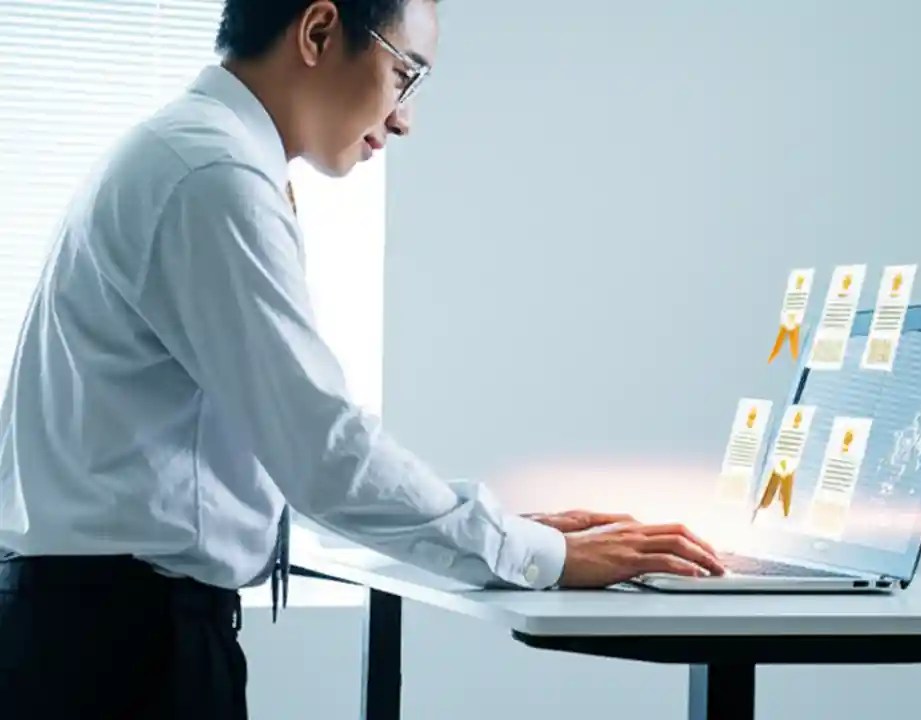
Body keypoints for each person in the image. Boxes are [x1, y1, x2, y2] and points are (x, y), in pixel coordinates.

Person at [0, 1, 724, 718]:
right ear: (318, 32)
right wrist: (535, 554)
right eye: (404, 73)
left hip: (93, 631)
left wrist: (504, 529)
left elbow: (279, 450)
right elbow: (324, 453)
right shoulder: (213, 176)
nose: (405, 116)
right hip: (120, 653)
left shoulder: (187, 153)